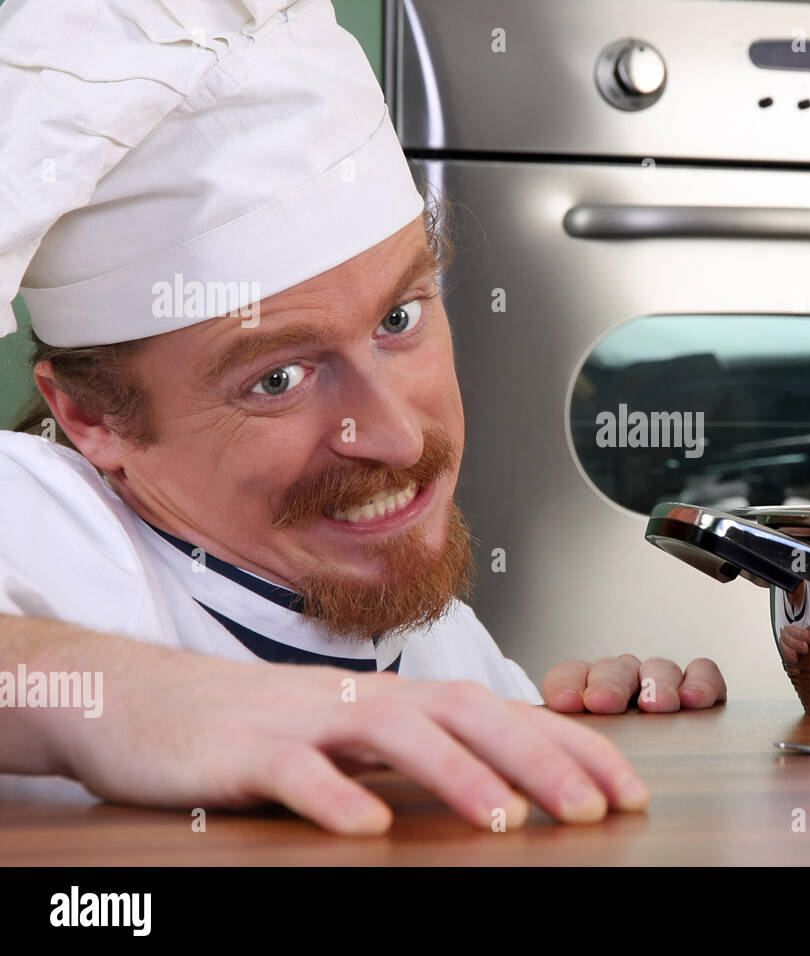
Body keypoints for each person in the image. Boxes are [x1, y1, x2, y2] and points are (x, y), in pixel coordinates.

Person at [0, 0, 725, 835]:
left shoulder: (439, 633)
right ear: (92, 417)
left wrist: (579, 728)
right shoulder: (45, 523)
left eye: (398, 321)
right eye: (278, 379)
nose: (398, 438)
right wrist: (146, 701)